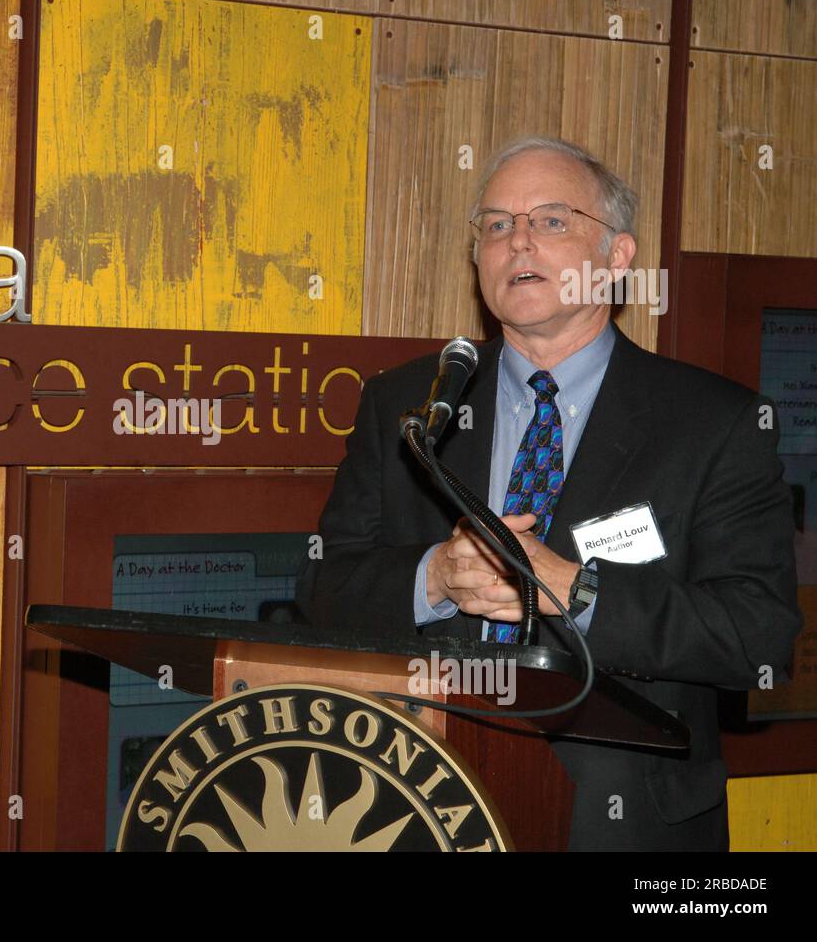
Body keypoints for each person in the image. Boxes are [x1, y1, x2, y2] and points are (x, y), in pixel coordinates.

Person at [298, 136, 803, 851]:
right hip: (417, 807)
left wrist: (576, 591)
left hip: (624, 828)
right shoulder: (409, 405)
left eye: (552, 220)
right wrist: (433, 577)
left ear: (617, 257)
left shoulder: (715, 422)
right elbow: (322, 588)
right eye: (497, 224)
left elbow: (758, 636)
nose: (518, 241)